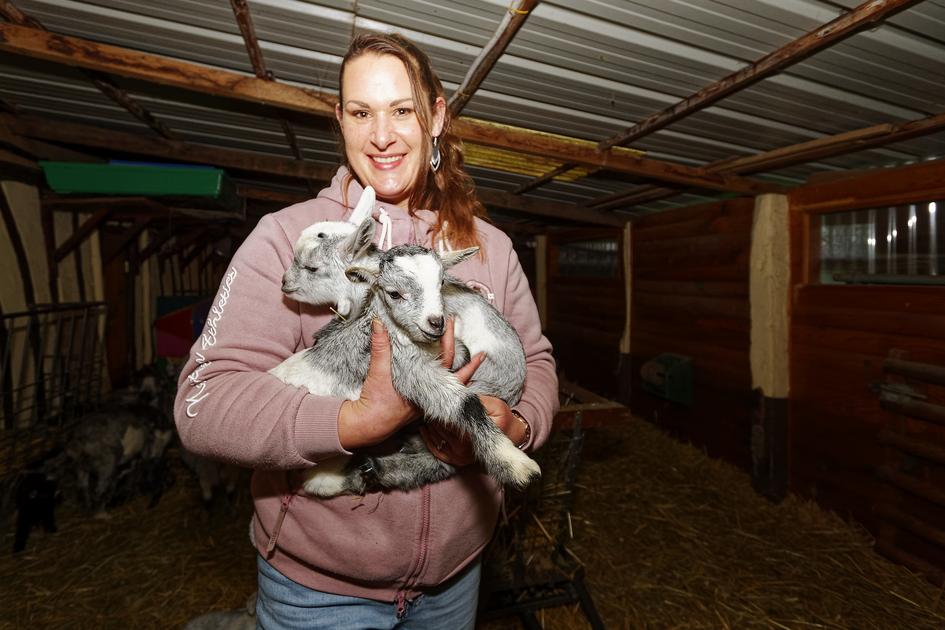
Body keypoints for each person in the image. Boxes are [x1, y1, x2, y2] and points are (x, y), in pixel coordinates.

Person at [174, 32, 558, 629]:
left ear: (436, 116)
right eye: (362, 112)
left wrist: (517, 423)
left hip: (457, 582)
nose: (382, 135)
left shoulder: (490, 250)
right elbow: (203, 405)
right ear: (341, 120)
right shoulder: (289, 239)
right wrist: (353, 422)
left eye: (402, 110)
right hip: (321, 595)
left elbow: (537, 360)